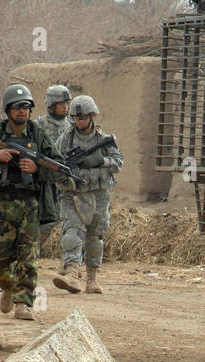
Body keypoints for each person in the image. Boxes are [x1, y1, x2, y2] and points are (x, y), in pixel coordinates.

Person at [0, 83, 63, 321]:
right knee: (0, 260)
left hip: (30, 205)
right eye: (18, 107)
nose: (23, 112)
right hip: (1, 206)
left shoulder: (39, 135)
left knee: (29, 256)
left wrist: (37, 168)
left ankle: (23, 303)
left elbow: (58, 168)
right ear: (8, 110)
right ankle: (9, 288)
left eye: (27, 107)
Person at [52, 95, 123, 295]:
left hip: (98, 194)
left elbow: (118, 163)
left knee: (95, 237)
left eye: (84, 117)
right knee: (72, 232)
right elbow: (55, 165)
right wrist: (64, 178)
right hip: (72, 194)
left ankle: (92, 279)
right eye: (77, 118)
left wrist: (101, 161)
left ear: (92, 116)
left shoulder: (103, 140)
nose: (80, 121)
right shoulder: (65, 140)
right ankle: (72, 274)